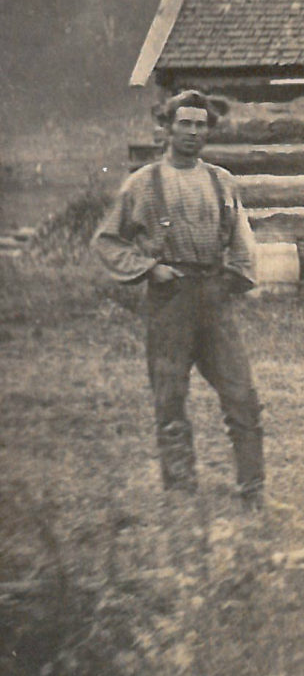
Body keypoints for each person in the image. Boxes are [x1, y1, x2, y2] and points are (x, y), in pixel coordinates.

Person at [92, 89, 265, 507]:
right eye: (184, 123)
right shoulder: (142, 184)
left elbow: (242, 241)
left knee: (242, 396)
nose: (192, 132)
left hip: (214, 297)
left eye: (200, 125)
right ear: (167, 128)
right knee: (169, 398)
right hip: (170, 299)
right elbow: (108, 241)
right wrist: (150, 268)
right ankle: (181, 494)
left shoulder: (221, 180)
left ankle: (253, 490)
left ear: (209, 130)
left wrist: (233, 279)